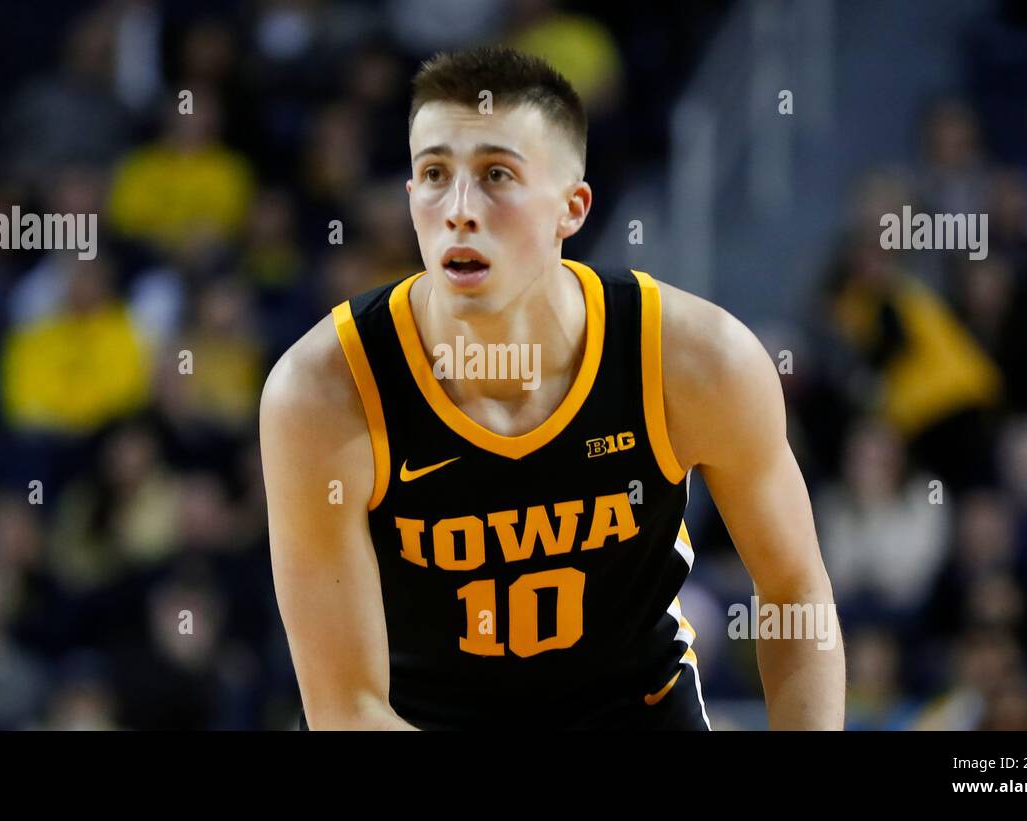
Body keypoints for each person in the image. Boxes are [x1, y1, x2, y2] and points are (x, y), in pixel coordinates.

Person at [259, 45, 844, 730]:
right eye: (434, 174)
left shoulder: (696, 359)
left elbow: (794, 589)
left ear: (573, 207)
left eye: (496, 175)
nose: (460, 209)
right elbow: (347, 709)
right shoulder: (323, 390)